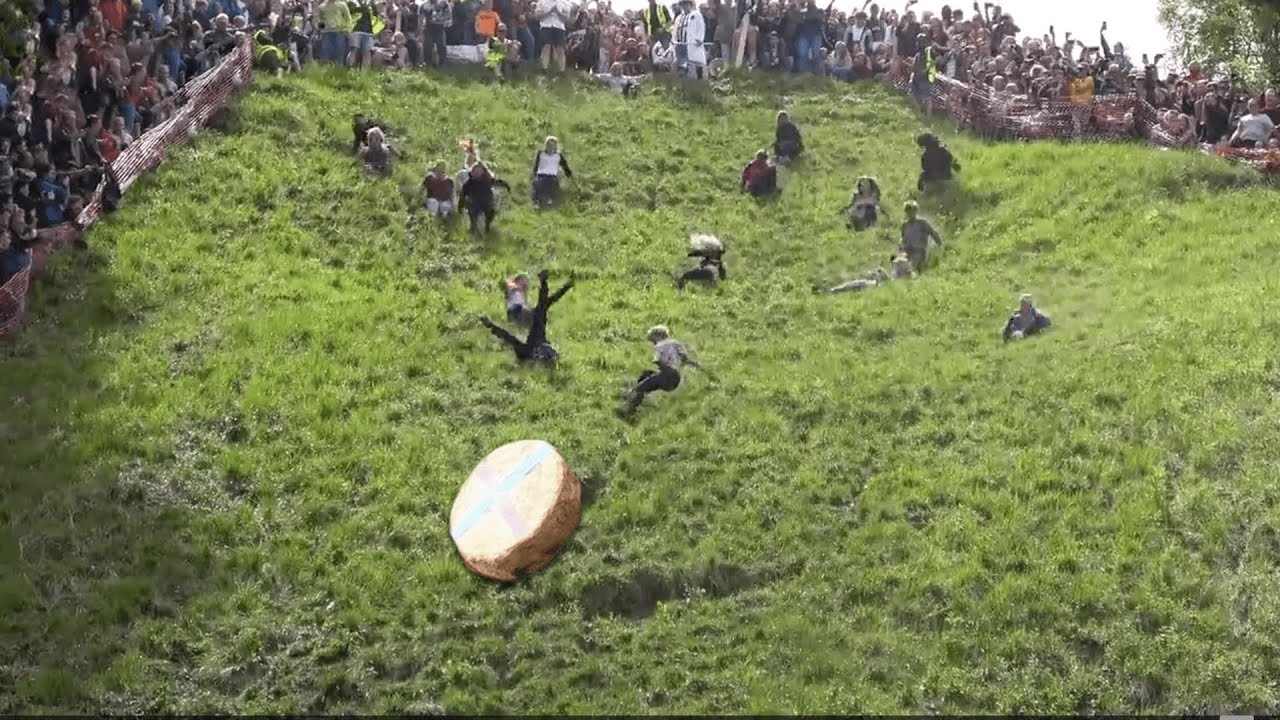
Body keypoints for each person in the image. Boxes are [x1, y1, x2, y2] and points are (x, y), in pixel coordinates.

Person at [479, 269, 574, 363]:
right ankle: (549, 282)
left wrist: (489, 324)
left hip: (534, 351)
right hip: (539, 348)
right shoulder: (535, 337)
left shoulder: (525, 348)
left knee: (543, 307)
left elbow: (506, 336)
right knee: (543, 307)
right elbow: (507, 336)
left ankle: (550, 282)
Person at [622, 324, 702, 413]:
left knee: (640, 388)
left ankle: (628, 410)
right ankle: (641, 398)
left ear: (657, 336)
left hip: (666, 375)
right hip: (676, 379)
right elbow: (685, 359)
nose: (653, 343)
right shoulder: (676, 343)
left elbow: (658, 360)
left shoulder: (659, 346)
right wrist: (695, 364)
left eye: (653, 340)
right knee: (647, 374)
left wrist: (661, 367)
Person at [459, 161, 511, 234]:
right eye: (475, 171)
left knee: (491, 211)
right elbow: (462, 195)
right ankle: (473, 227)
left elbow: (497, 182)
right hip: (474, 203)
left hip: (486, 203)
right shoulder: (469, 183)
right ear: (472, 172)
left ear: (483, 172)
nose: (477, 173)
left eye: (478, 171)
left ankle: (487, 226)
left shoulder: (487, 180)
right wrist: (460, 207)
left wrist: (507, 186)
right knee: (472, 211)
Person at [899, 200, 942, 273]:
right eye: (908, 211)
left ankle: (912, 272)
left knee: (913, 263)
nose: (910, 213)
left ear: (916, 211)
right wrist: (902, 247)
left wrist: (940, 246)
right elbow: (903, 240)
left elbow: (933, 234)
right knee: (899, 262)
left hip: (920, 252)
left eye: (912, 210)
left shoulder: (922, 223)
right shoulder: (904, 226)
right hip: (908, 252)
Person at [530, 135, 573, 208]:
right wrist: (534, 174)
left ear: (555, 146)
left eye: (552, 145)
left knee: (551, 183)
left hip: (552, 176)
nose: (550, 147)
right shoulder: (541, 153)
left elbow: (564, 165)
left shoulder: (558, 155)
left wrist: (568, 174)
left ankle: (549, 198)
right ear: (546, 145)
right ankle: (536, 202)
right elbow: (536, 165)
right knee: (538, 184)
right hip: (541, 175)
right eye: (548, 145)